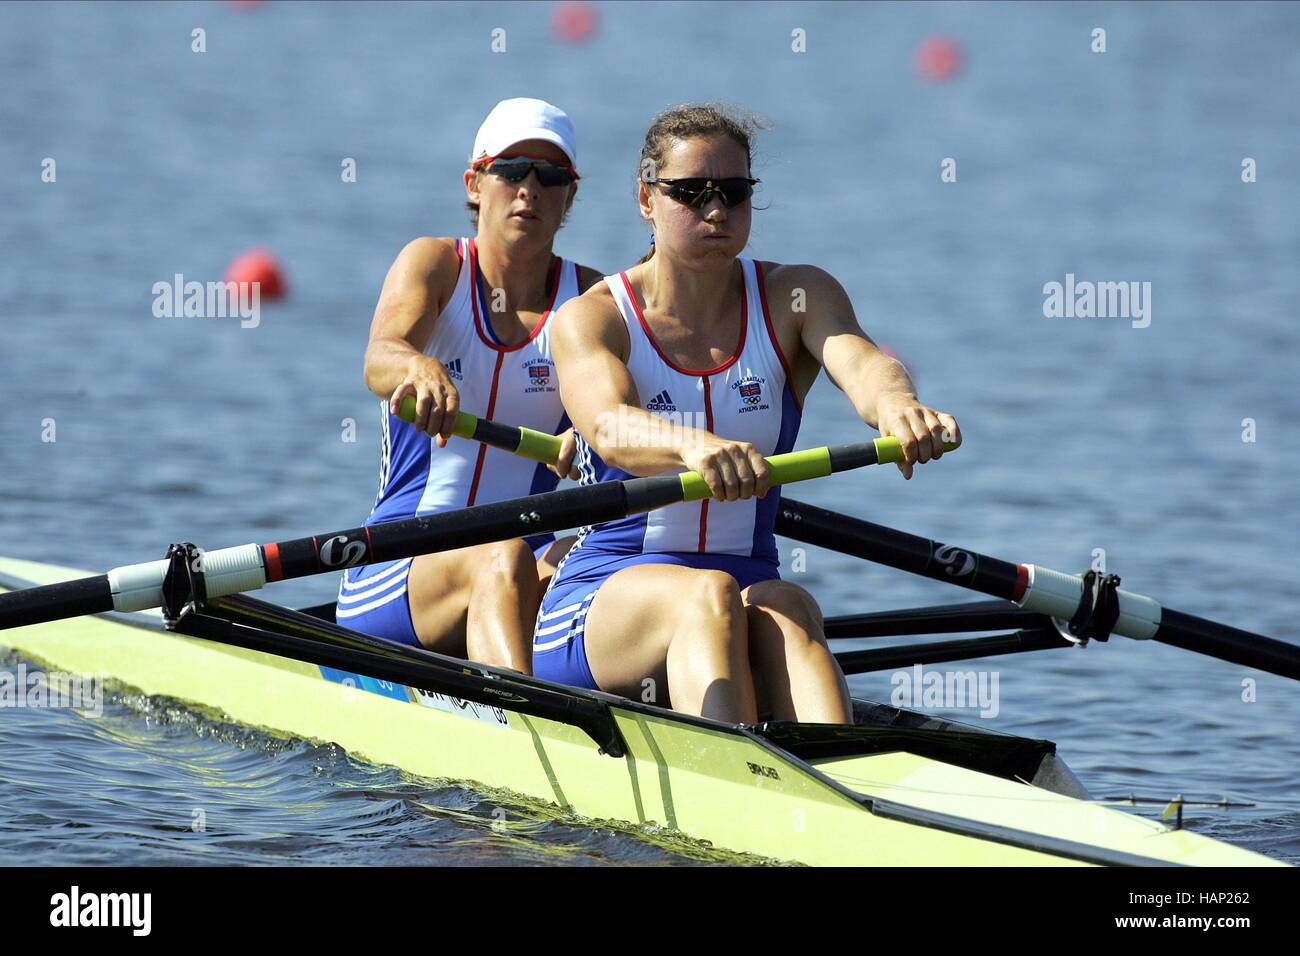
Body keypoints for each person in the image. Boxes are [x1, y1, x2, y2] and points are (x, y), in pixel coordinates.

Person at [534, 104, 960, 722]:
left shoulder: (797, 296)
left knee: (789, 606)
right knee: (707, 596)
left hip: (746, 584)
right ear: (646, 200)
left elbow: (863, 363)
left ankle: (845, 781)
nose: (715, 212)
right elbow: (608, 425)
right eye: (691, 193)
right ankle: (741, 788)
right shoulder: (595, 317)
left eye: (733, 193)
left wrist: (898, 405)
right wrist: (693, 447)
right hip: (603, 600)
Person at [339, 98, 601, 673]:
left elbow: (623, 414)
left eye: (550, 175)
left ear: (569, 198)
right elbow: (380, 358)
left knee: (611, 570)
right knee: (501, 559)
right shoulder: (435, 265)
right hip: (399, 565)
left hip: (522, 564)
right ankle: (530, 730)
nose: (529, 189)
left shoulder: (592, 299)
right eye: (510, 170)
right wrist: (416, 367)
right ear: (476, 182)